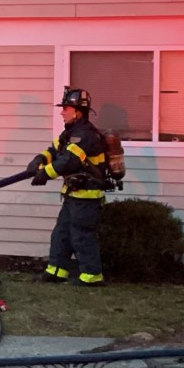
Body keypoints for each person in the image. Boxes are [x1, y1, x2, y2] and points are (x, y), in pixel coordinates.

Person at [29, 87, 110, 287]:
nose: (61, 112)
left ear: (77, 111)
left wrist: (45, 173)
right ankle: (56, 271)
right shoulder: (70, 133)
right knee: (62, 233)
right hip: (74, 194)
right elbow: (54, 150)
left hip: (87, 196)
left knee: (81, 235)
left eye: (65, 108)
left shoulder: (86, 135)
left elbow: (70, 161)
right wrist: (39, 159)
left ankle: (91, 277)